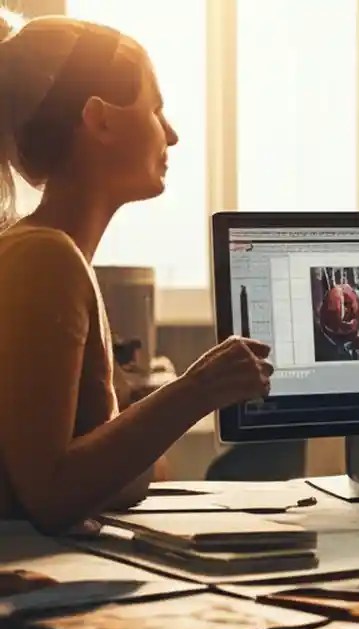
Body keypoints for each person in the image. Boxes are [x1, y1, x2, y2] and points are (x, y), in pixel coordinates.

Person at [0, 13, 272, 533]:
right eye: (155, 109)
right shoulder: (44, 260)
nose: (171, 134)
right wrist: (196, 391)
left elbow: (113, 477)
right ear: (99, 120)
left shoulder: (52, 256)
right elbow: (50, 494)